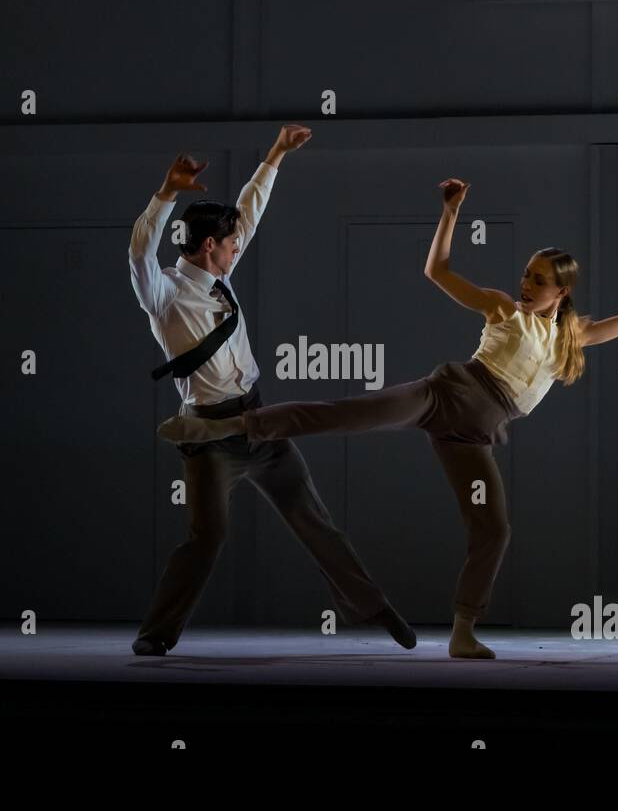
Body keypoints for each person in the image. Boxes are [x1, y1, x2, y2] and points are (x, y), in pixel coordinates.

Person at [159, 177, 618, 659]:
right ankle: (228, 427)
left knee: (494, 528)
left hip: (474, 435)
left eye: (538, 281)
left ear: (561, 292)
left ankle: (464, 632)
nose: (525, 284)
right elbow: (438, 272)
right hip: (444, 396)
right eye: (526, 274)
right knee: (347, 415)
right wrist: (450, 213)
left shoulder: (568, 335)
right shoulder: (502, 309)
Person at [129, 124, 416, 656]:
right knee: (206, 538)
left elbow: (249, 209)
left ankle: (374, 608)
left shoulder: (221, 278)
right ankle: (156, 634)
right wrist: (166, 193)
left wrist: (277, 155)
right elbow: (140, 251)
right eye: (233, 245)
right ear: (211, 246)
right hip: (211, 434)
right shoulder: (165, 292)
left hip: (260, 422)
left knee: (314, 520)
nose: (240, 249)